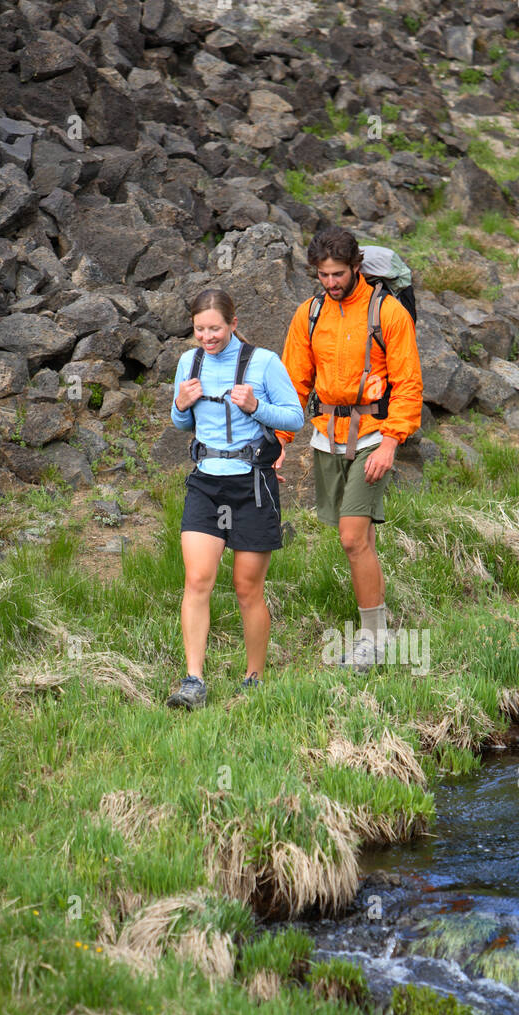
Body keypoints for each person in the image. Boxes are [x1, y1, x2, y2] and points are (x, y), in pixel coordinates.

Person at [276, 228, 423, 669]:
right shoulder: (310, 313)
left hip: (374, 436)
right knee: (362, 540)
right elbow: (293, 382)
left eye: (338, 274)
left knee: (352, 537)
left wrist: (392, 443)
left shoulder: (389, 313)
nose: (331, 282)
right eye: (323, 275)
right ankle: (381, 632)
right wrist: (280, 441)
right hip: (326, 436)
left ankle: (373, 644)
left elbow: (409, 383)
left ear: (357, 266)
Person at [166, 288, 304, 709]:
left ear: (233, 324)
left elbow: (295, 416)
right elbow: (180, 422)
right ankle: (193, 681)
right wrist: (180, 403)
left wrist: (257, 406)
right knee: (197, 580)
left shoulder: (263, 363)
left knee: (247, 588)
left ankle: (254, 678)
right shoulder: (188, 363)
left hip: (253, 485)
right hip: (206, 483)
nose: (207, 337)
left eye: (215, 329)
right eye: (199, 330)